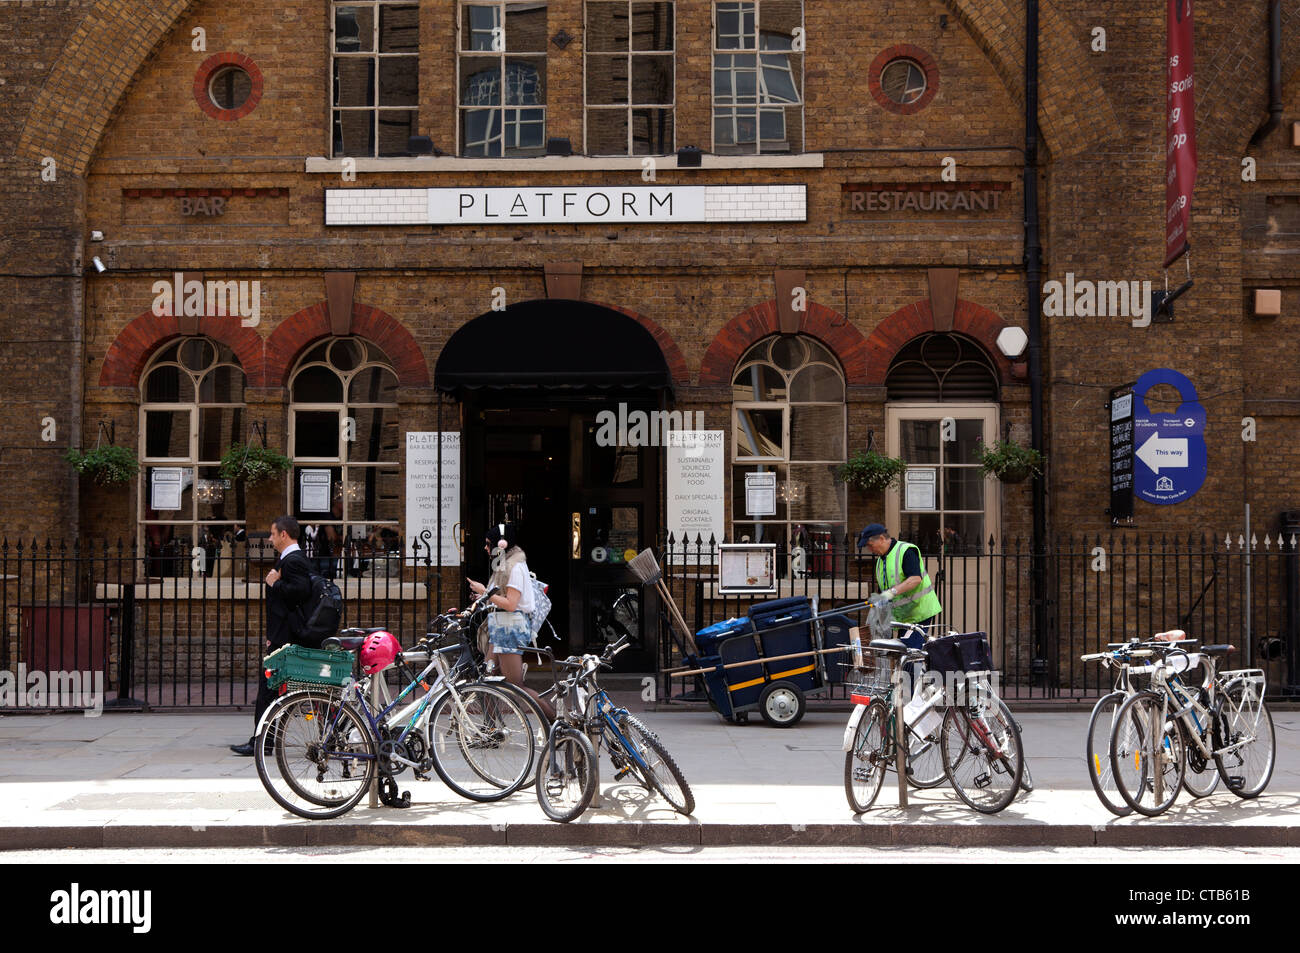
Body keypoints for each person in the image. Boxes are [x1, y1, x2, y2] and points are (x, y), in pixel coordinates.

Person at [230, 515, 313, 756]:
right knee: (275, 690)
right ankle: (265, 738)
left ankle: (261, 741)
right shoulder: (290, 559)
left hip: (285, 639)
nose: (270, 538)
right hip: (280, 637)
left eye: (273, 534)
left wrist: (275, 583)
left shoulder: (293, 561)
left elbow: (299, 593)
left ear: (284, 535)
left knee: (268, 690)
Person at [466, 523, 554, 720]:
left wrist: (485, 592)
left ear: (501, 544)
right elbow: (500, 597)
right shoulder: (504, 565)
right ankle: (491, 731)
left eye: (488, 544)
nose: (485, 548)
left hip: (510, 627)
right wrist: (483, 597)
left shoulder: (515, 567)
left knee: (516, 686)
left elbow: (511, 604)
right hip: (501, 626)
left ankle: (557, 721)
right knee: (487, 680)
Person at [857, 522, 943, 649]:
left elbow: (915, 579)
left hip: (919, 612)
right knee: (903, 652)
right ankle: (919, 667)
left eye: (870, 545)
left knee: (909, 651)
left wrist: (891, 593)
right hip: (905, 616)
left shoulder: (906, 551)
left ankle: (919, 668)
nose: (870, 549)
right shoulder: (881, 561)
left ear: (881, 538)